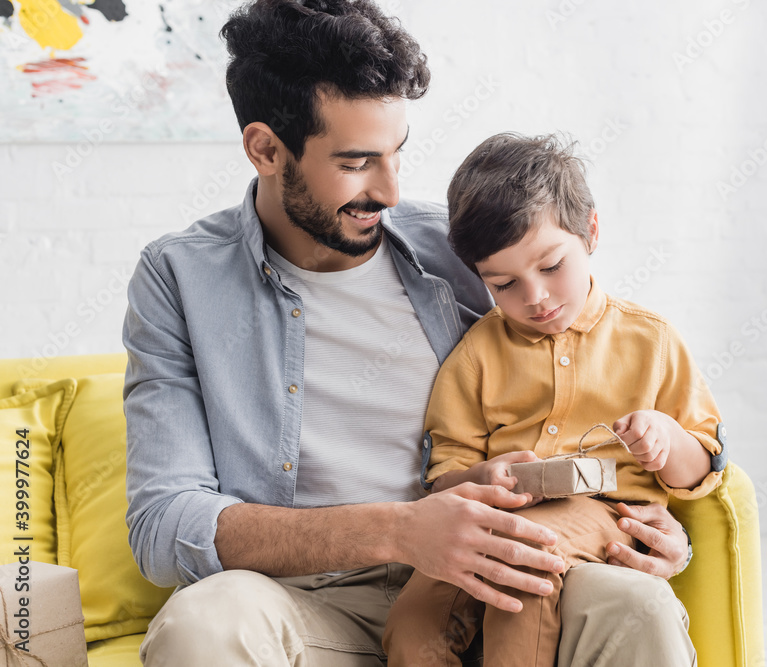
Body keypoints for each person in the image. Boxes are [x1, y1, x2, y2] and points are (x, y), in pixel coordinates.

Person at [123, 1, 698, 665]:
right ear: (266, 149)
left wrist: (657, 528)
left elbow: (594, 365)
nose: (391, 192)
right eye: (356, 162)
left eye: (397, 153)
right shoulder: (181, 278)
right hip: (303, 602)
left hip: (489, 583)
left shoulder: (458, 247)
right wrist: (400, 530)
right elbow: (163, 524)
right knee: (201, 625)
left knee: (639, 607)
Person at [382, 133, 726, 667]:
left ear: (591, 231)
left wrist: (667, 438)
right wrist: (481, 477)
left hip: (605, 515)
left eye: (550, 267)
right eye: (504, 284)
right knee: (413, 620)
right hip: (491, 518)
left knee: (527, 557)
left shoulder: (650, 340)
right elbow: (445, 474)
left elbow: (702, 468)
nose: (535, 297)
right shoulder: (476, 355)